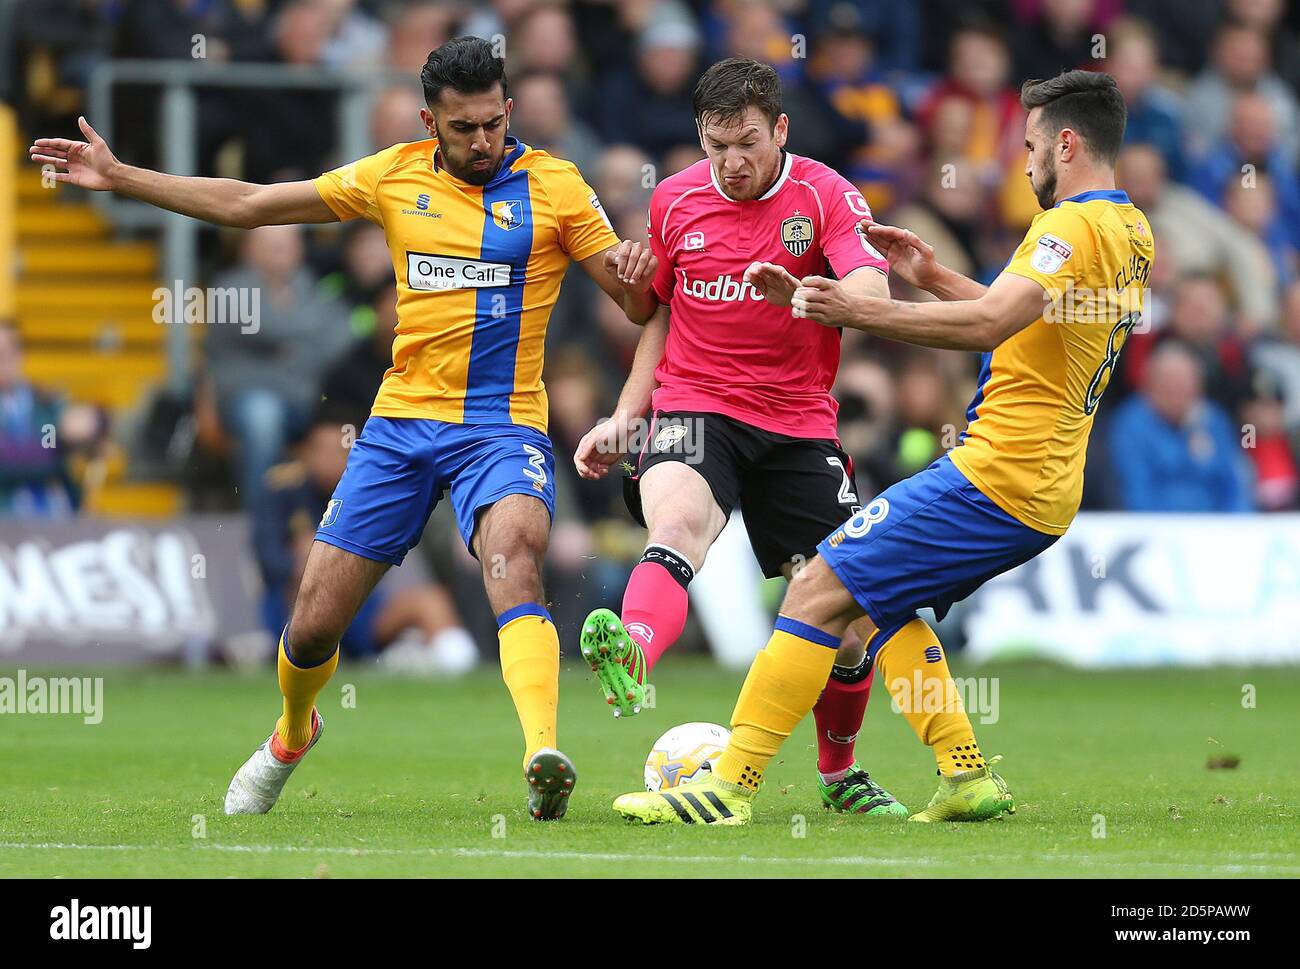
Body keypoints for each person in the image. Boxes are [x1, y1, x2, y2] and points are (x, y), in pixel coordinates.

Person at [30, 36, 659, 821]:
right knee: (315, 620)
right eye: (462, 128)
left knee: (517, 554)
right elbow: (251, 204)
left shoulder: (559, 187)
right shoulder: (391, 175)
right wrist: (124, 179)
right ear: (431, 121)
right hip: (398, 427)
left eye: (493, 123)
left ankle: (541, 756)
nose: (482, 141)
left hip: (503, 426)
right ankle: (293, 733)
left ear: (509, 109)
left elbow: (636, 306)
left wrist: (637, 283)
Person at [611, 69, 1156, 825]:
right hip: (1045, 481)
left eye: (1029, 145)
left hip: (996, 472)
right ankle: (965, 773)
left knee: (815, 589)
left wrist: (851, 308)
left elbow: (989, 328)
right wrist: (932, 276)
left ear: (1066, 142)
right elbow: (1035, 319)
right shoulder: (1129, 230)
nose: (1021, 159)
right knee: (881, 601)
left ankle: (726, 784)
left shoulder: (1067, 227)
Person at [574, 58, 906, 816]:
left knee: (845, 622)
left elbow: (873, 290)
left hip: (796, 423)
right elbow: (655, 313)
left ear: (780, 129)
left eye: (747, 143)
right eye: (716, 145)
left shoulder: (824, 195)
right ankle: (631, 651)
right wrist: (628, 415)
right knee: (678, 521)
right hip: (695, 406)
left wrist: (810, 296)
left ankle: (840, 773)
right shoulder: (673, 201)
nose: (732, 162)